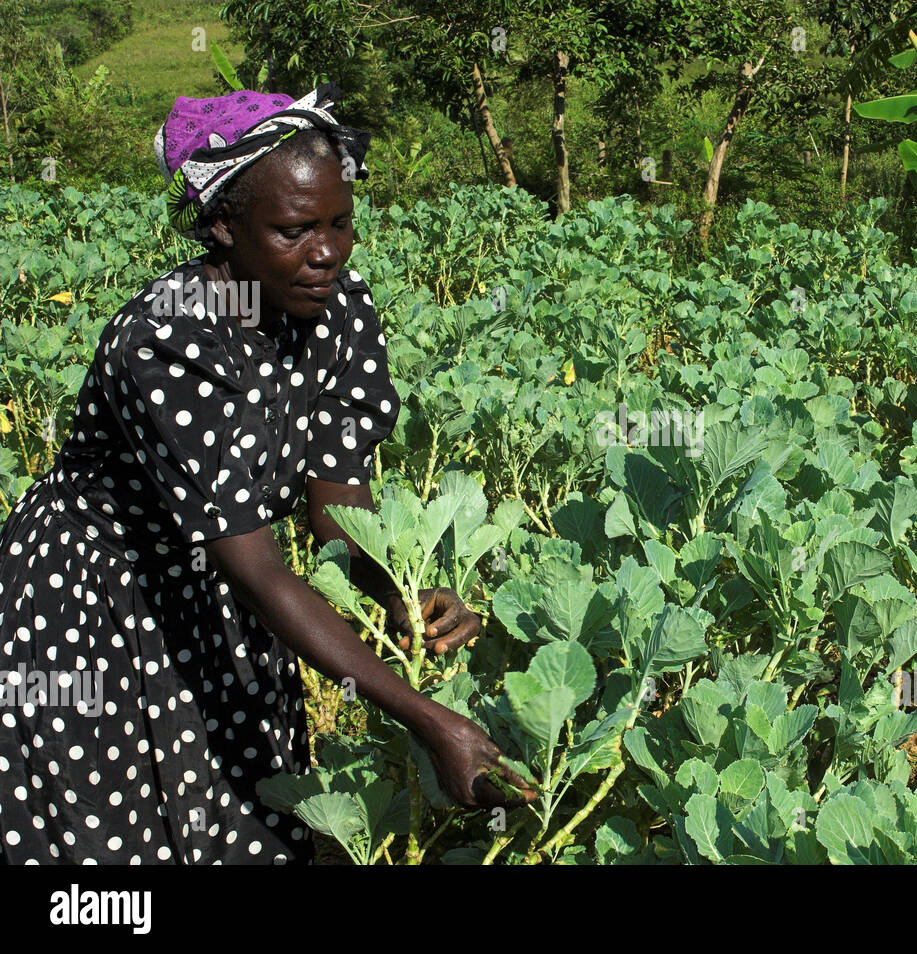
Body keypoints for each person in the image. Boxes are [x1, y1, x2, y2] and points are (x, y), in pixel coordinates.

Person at [0, 84, 531, 865]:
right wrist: (430, 721)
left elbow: (337, 507)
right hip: (100, 598)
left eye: (340, 223)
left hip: (224, 592)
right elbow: (256, 569)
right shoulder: (169, 338)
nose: (326, 252)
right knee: (115, 840)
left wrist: (395, 595)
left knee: (245, 821)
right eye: (294, 230)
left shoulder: (335, 306)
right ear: (222, 226)